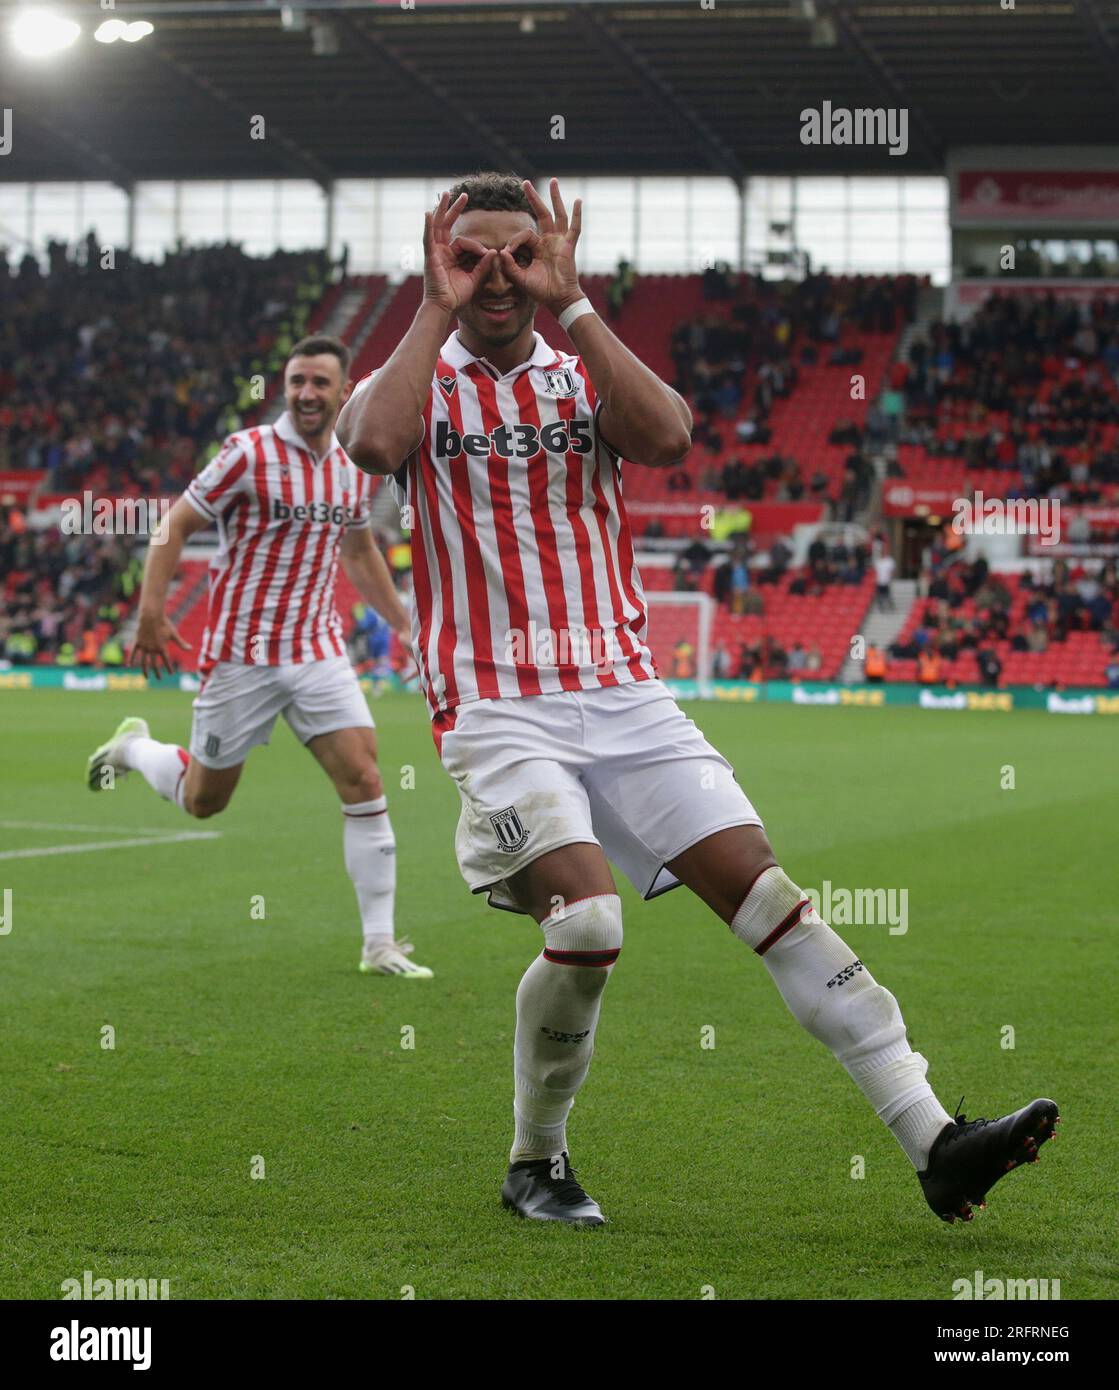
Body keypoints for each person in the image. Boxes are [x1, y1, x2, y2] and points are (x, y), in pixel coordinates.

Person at [338, 173, 1057, 1227]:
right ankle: (536, 1161)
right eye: (472, 253)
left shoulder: (578, 372)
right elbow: (367, 443)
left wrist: (577, 303)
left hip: (626, 694)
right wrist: (433, 305)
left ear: (549, 258)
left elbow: (670, 436)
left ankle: (933, 1138)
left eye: (518, 253)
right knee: (585, 921)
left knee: (771, 897)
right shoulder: (421, 374)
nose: (498, 273)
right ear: (439, 258)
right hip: (498, 705)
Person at [85, 336, 433, 980]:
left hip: (317, 650)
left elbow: (357, 553)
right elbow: (174, 526)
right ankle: (134, 748)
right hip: (241, 655)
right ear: (286, 386)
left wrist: (404, 622)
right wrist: (151, 613)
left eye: (320, 384)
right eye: (297, 381)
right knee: (203, 801)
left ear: (343, 389)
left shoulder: (353, 464)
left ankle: (379, 943)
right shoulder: (247, 453)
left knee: (365, 781)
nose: (306, 393)